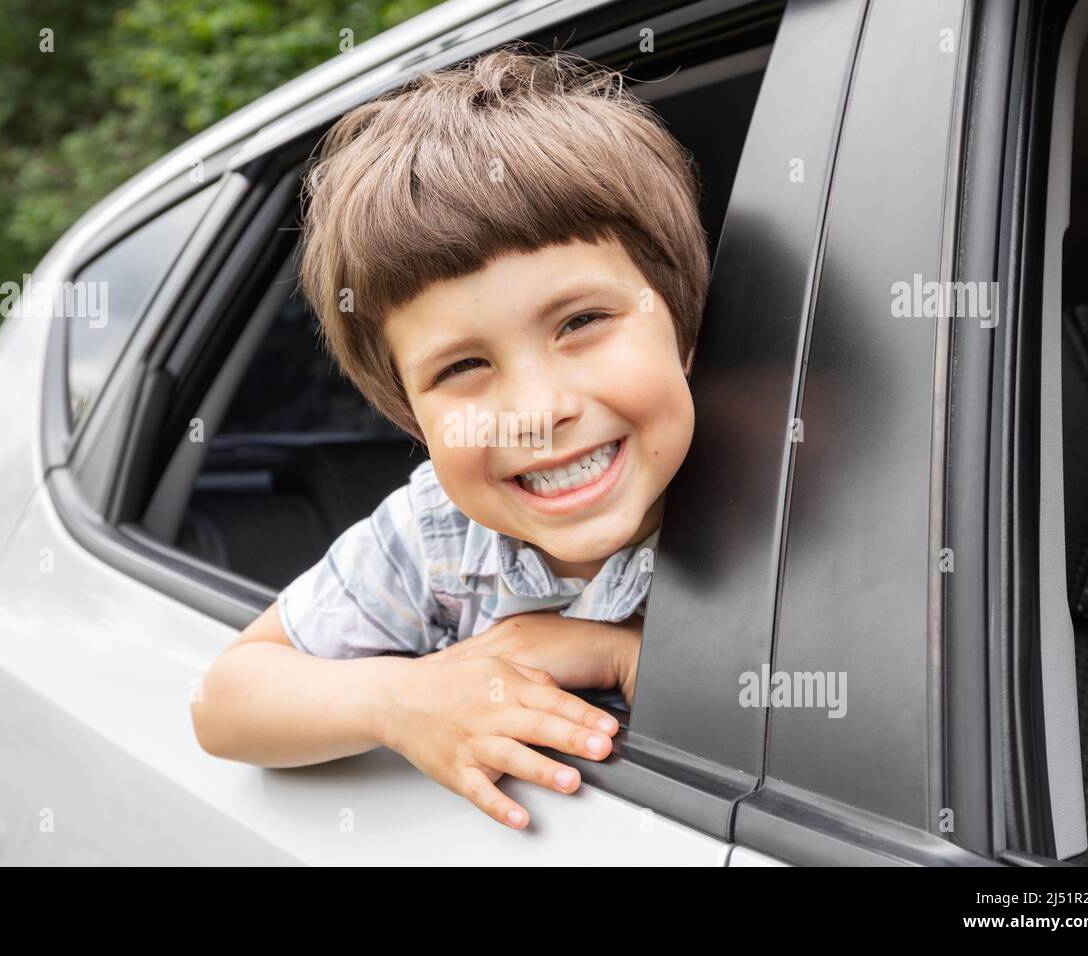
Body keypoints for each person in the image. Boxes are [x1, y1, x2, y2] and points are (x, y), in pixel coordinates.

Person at [192, 43, 709, 830]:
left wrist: (619, 653)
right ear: (414, 418)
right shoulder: (439, 535)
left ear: (683, 327)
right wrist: (406, 699)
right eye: (464, 366)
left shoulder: (773, 499)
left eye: (581, 322)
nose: (537, 409)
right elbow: (223, 703)